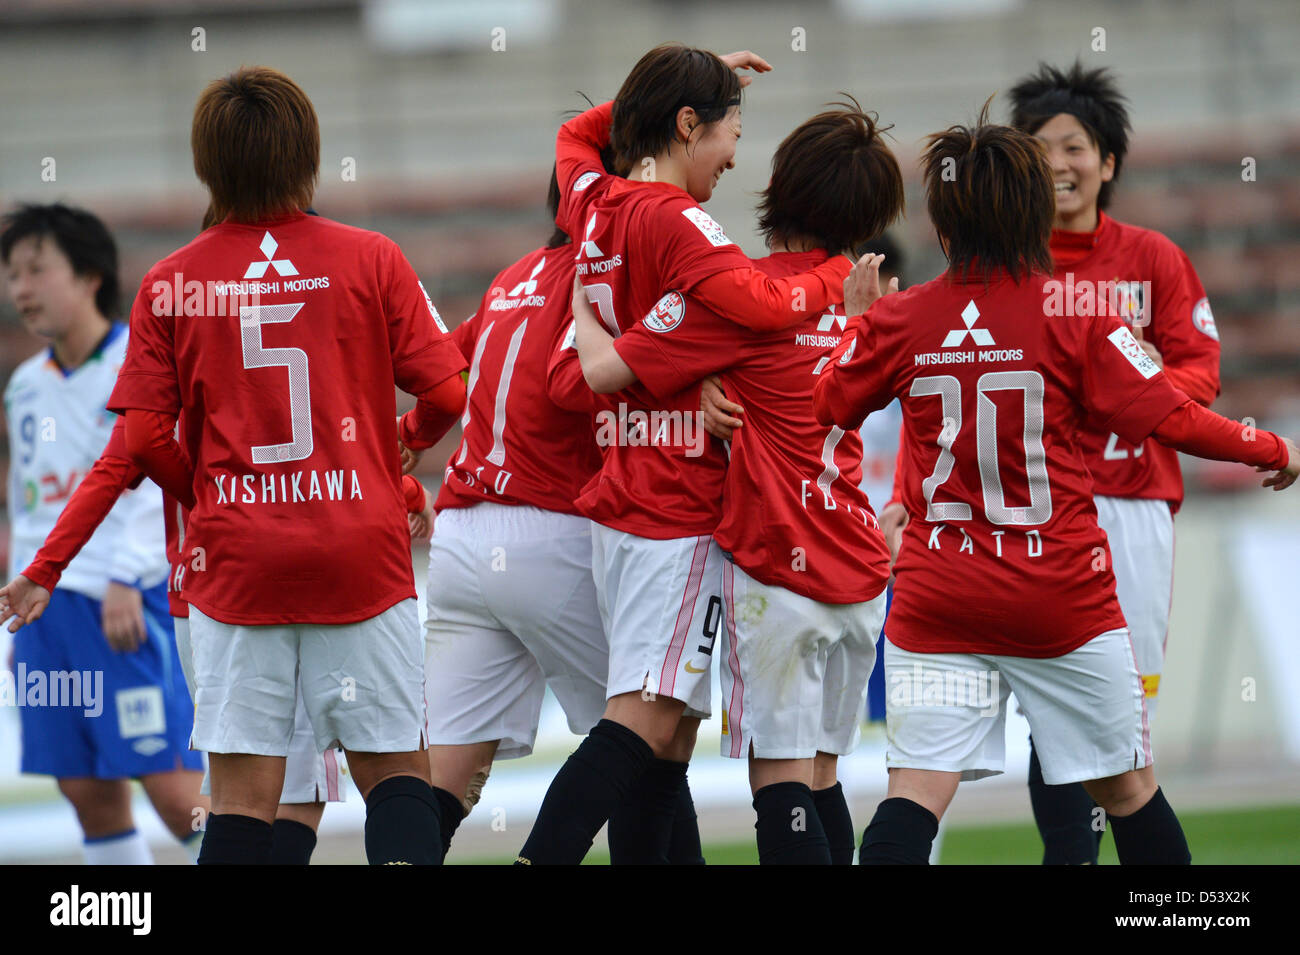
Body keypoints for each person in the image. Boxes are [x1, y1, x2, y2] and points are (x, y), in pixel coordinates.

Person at [811, 107, 1297, 865]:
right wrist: (1269, 447)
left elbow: (829, 404)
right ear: (1034, 215)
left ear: (943, 227)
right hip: (1058, 595)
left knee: (914, 790)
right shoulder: (1080, 314)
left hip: (939, 596)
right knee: (1129, 789)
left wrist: (858, 325)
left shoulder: (899, 319)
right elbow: (1172, 415)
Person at [106, 66, 466, 865]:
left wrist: (206, 491)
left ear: (208, 167)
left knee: (240, 799)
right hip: (357, 547)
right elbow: (448, 388)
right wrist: (398, 441)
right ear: (309, 155)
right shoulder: (371, 257)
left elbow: (139, 438)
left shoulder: (171, 282)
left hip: (237, 558)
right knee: (396, 770)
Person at [566, 100, 905, 864]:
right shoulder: (871, 313)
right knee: (824, 777)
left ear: (779, 188)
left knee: (779, 783)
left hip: (780, 570)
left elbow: (608, 371)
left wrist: (589, 312)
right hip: (857, 568)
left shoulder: (740, 294)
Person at [415, 164, 708, 863]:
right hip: (554, 530)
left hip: (461, 540)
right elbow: (579, 380)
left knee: (440, 780)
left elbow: (441, 370)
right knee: (653, 726)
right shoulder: (604, 277)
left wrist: (404, 438)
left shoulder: (509, 277)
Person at [0, 407, 433, 863]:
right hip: (311, 575)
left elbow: (128, 455)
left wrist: (50, 567)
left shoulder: (164, 356)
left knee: (242, 801)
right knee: (369, 775)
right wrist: (405, 484)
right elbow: (333, 436)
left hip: (215, 593)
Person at [1007, 60, 1223, 864]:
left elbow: (1201, 369)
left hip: (1129, 506)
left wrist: (1125, 392)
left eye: (1076, 146)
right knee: (1051, 703)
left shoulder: (1154, 259)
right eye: (1040, 149)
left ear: (1109, 161)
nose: (1060, 163)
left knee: (1119, 712)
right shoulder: (1003, 264)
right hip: (1032, 510)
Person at [1, 202, 204, 864]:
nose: (20, 288)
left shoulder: (137, 362)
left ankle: (250, 850)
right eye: (11, 273)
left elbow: (154, 477)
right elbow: (30, 498)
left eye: (36, 269)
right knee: (85, 788)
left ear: (89, 274)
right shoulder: (25, 386)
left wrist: (127, 571)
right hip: (47, 612)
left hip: (123, 600)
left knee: (177, 793)